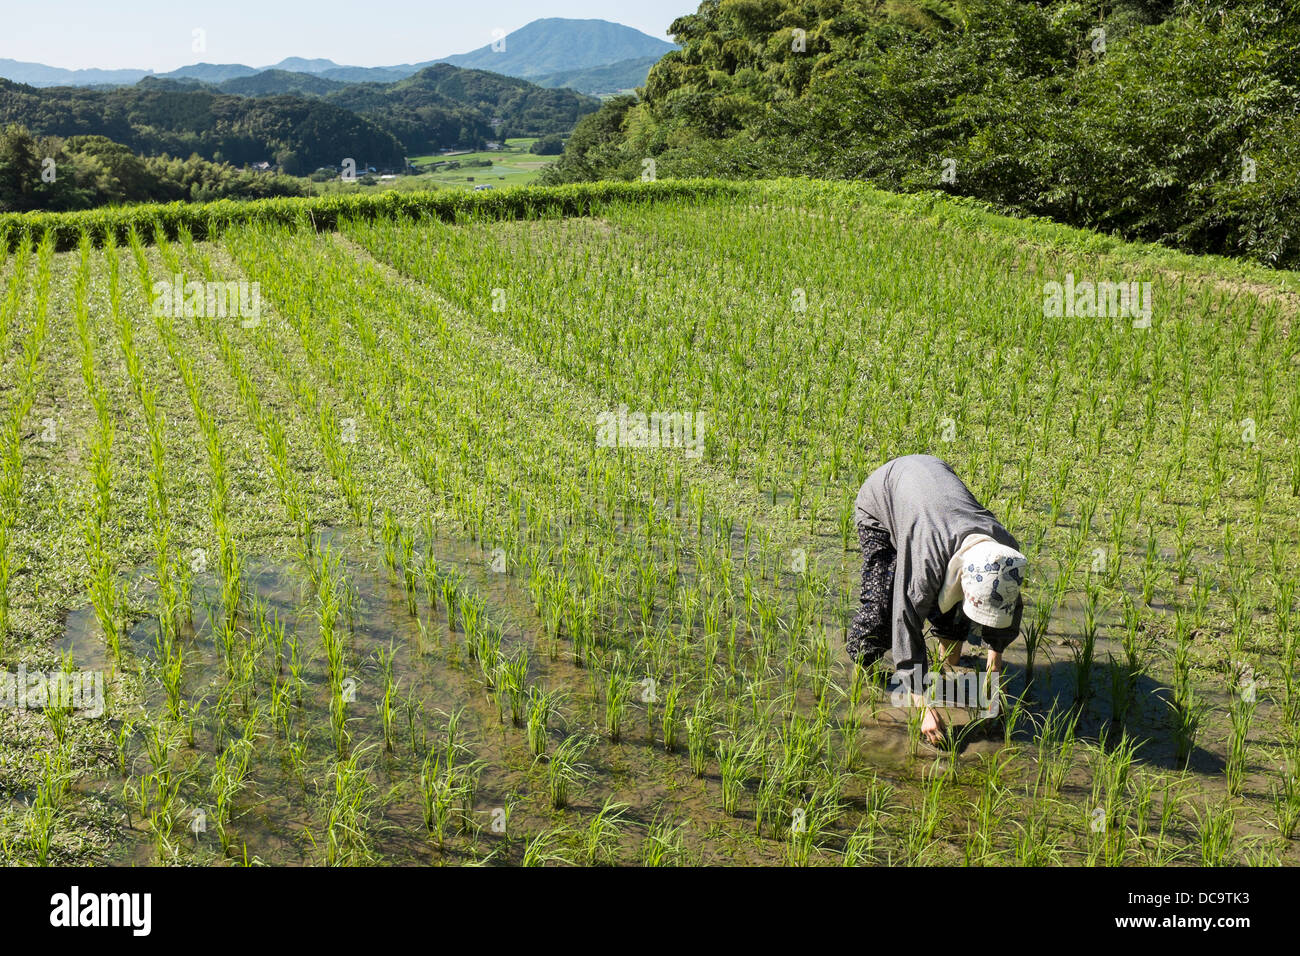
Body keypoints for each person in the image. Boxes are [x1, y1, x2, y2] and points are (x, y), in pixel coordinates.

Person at [848, 455, 1027, 745]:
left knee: (954, 614)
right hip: (883, 501)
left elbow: (1008, 602)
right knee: (881, 608)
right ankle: (863, 669)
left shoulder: (1006, 554)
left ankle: (948, 662)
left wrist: (995, 661)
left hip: (933, 496)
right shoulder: (926, 564)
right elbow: (903, 622)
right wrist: (923, 707)